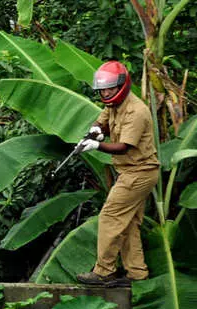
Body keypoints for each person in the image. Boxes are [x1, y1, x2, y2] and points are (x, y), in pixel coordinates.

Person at [76, 61, 160, 286]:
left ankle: (104, 271)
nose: (105, 92)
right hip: (130, 172)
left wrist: (96, 146)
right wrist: (94, 130)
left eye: (110, 88)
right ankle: (137, 273)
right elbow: (102, 121)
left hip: (139, 172)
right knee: (128, 223)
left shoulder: (137, 111)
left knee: (110, 217)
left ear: (122, 85)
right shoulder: (114, 104)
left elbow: (124, 147)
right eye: (102, 89)